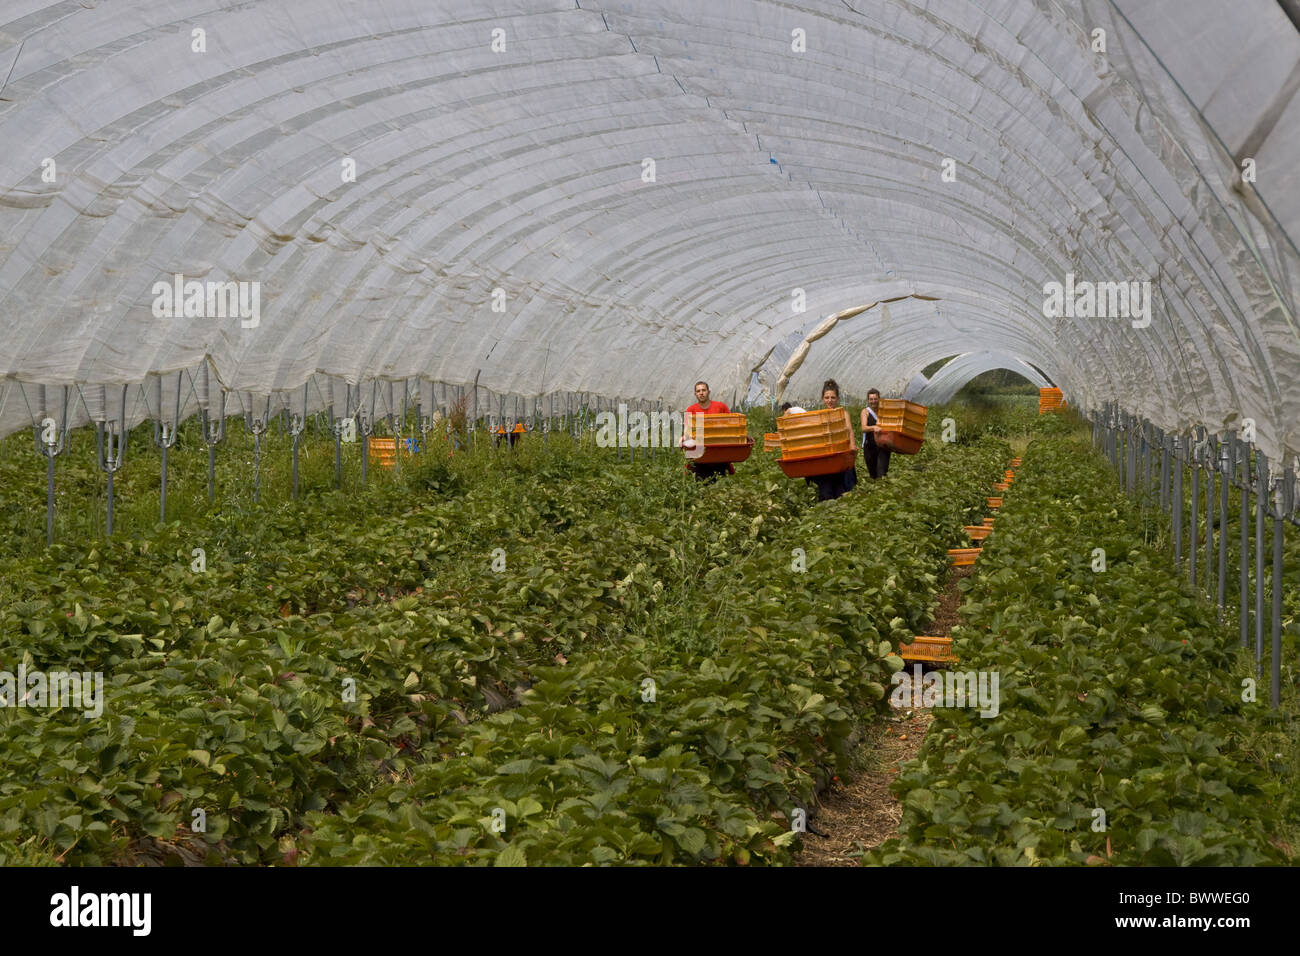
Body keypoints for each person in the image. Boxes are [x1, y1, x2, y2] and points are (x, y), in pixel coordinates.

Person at [807, 379, 857, 501]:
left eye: (833, 398)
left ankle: (840, 516)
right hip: (825, 459)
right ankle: (825, 515)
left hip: (840, 456)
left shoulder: (843, 414)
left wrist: (852, 447)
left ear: (838, 399)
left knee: (841, 490)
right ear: (823, 399)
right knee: (825, 490)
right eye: (827, 397)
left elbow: (849, 431)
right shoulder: (819, 415)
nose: (830, 401)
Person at [684, 380, 734, 481]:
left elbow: (731, 425)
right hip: (700, 454)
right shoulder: (691, 410)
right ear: (695, 394)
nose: (701, 393)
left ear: (709, 392)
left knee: (720, 483)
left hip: (718, 452)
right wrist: (684, 438)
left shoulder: (720, 407)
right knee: (700, 483)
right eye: (698, 391)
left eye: (703, 390)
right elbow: (687, 429)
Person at [860, 388, 891, 479]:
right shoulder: (865, 412)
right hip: (870, 446)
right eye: (871, 399)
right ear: (868, 400)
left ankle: (883, 490)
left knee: (882, 473)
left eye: (875, 399)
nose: (873, 401)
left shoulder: (883, 411)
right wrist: (874, 427)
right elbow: (863, 428)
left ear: (879, 399)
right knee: (873, 474)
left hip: (883, 445)